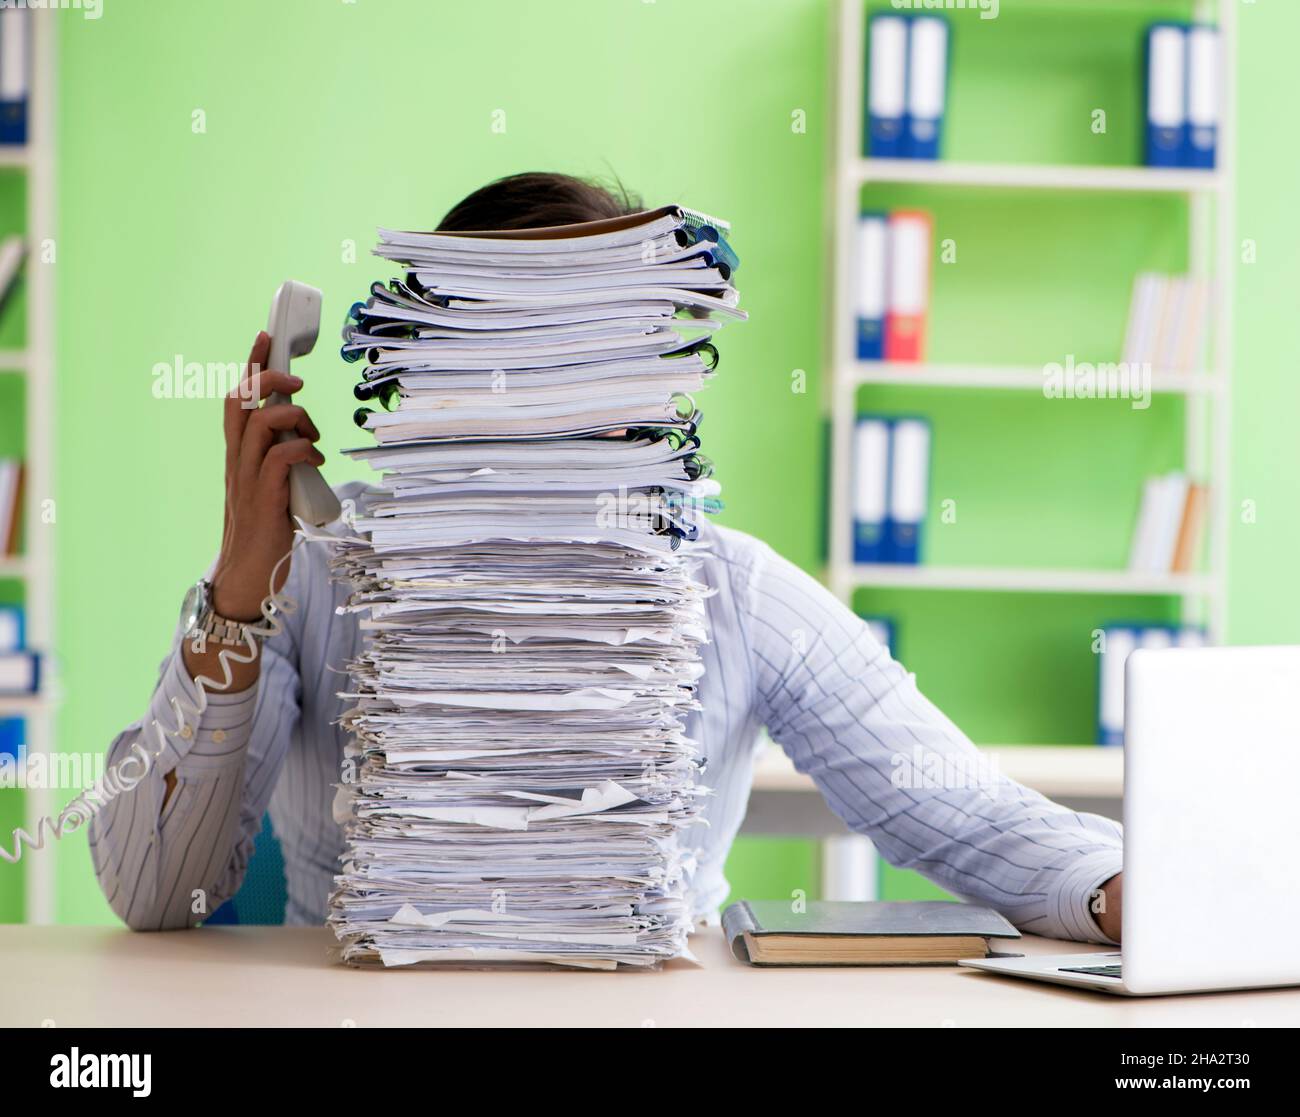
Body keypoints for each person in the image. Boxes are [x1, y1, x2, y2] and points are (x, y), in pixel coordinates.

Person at [89, 172, 1123, 940]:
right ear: (422, 387)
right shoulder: (315, 567)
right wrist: (240, 589)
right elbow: (151, 891)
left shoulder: (727, 585)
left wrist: (1130, 891)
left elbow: (964, 813)